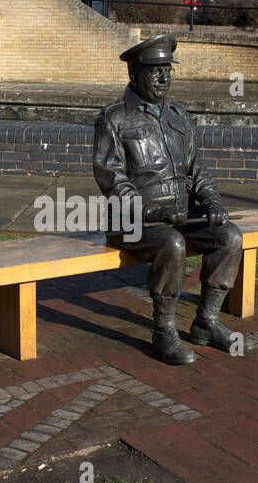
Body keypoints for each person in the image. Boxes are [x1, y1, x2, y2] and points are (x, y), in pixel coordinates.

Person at [92, 34, 243, 365]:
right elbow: (111, 177)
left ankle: (206, 321)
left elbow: (196, 170)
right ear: (134, 75)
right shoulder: (114, 118)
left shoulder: (179, 116)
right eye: (155, 71)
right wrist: (148, 209)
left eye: (168, 70)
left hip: (182, 218)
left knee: (230, 237)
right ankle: (163, 332)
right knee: (172, 244)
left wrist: (211, 201)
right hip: (132, 224)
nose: (164, 77)